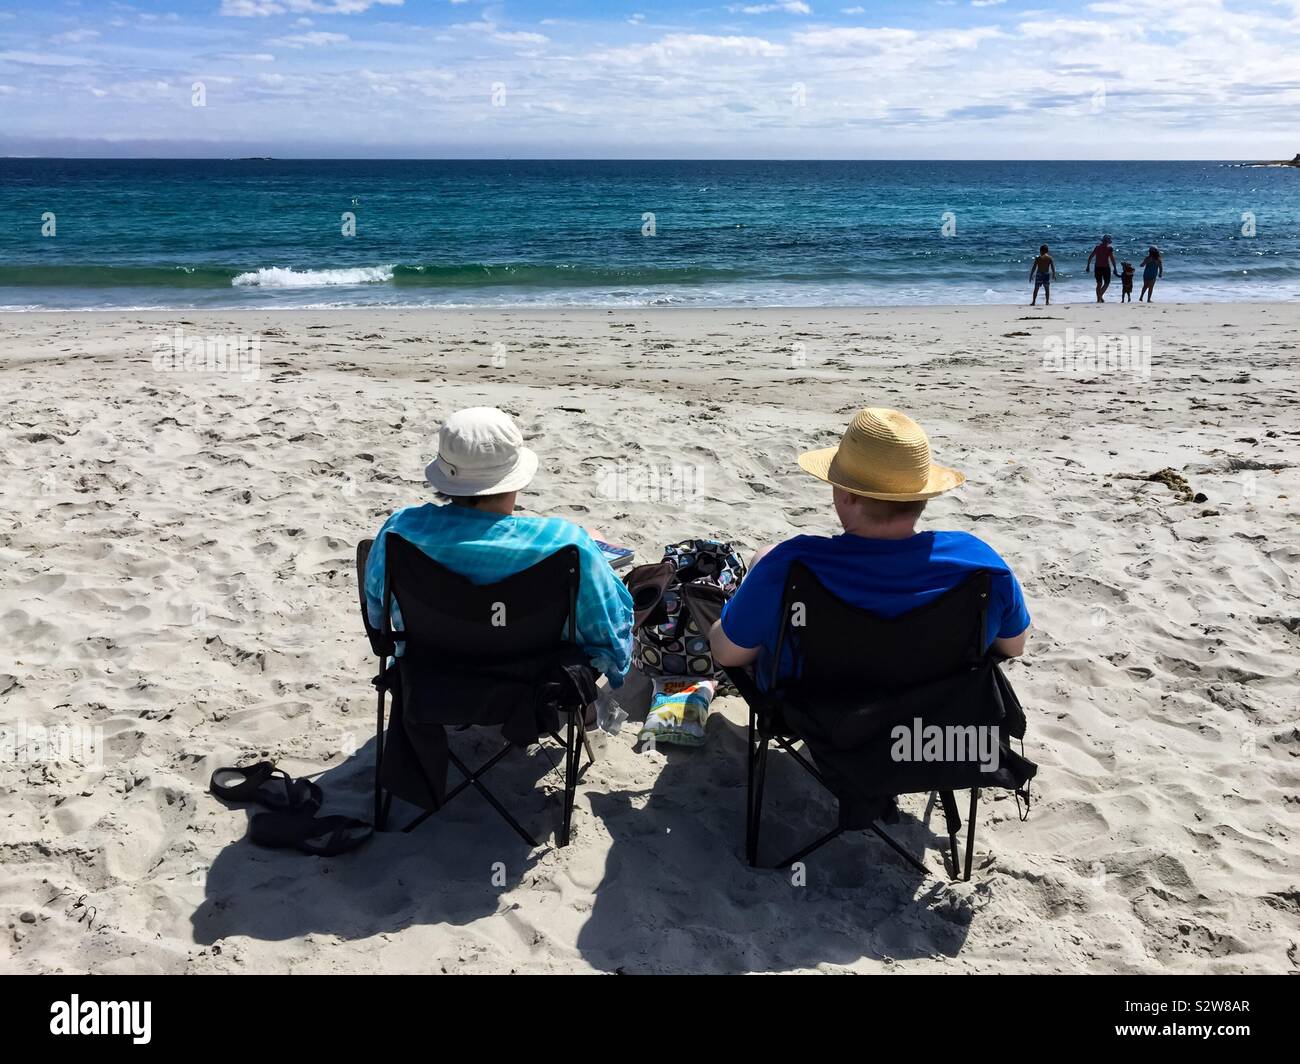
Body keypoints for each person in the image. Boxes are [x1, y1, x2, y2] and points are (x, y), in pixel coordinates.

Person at [708, 407, 1029, 689]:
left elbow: (728, 653)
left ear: (846, 495)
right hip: (935, 713)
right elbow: (1013, 646)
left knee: (764, 560)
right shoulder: (981, 565)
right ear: (922, 496)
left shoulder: (790, 566)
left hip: (815, 715)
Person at [363, 406, 634, 687]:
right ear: (515, 476)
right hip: (538, 679)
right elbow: (607, 630)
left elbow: (376, 615)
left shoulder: (400, 532)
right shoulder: (565, 543)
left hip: (429, 674)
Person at [1086, 234, 1119, 303]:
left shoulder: (1098, 248)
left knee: (1099, 283)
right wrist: (1115, 268)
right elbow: (1112, 259)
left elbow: (1091, 257)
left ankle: (1099, 298)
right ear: (1108, 242)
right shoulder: (1108, 248)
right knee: (1105, 283)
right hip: (1105, 267)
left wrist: (1088, 266)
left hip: (1098, 267)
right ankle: (1100, 297)